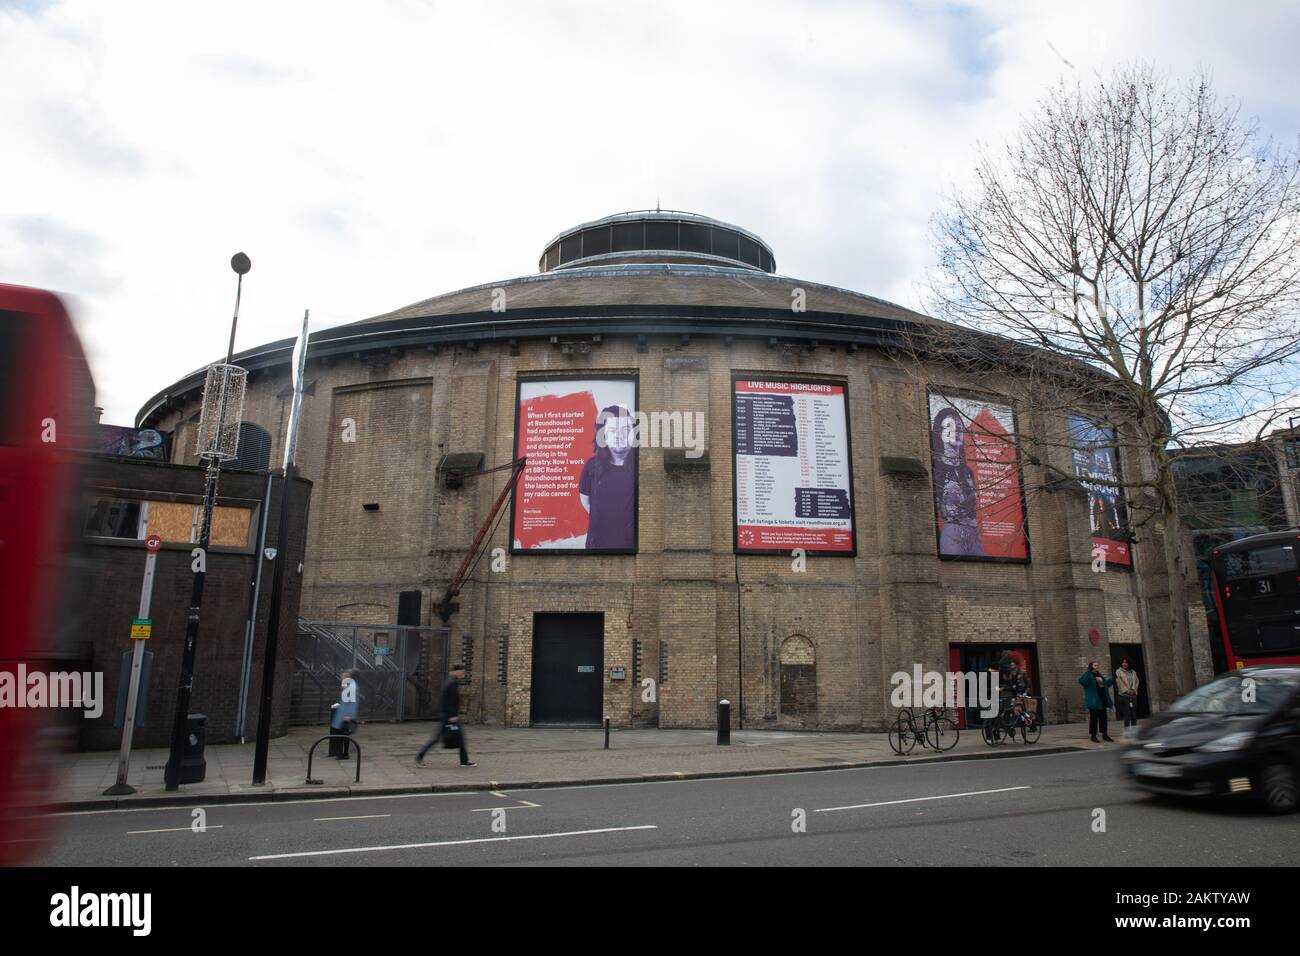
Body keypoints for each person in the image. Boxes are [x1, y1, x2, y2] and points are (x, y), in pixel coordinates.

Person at [579, 404, 636, 550]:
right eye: (613, 430)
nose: (619, 435)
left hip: (630, 549)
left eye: (625, 430)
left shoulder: (640, 467)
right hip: (596, 547)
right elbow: (586, 503)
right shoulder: (591, 467)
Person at [930, 406, 983, 557]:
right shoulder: (937, 470)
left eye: (960, 428)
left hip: (973, 533)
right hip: (952, 534)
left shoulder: (968, 472)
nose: (957, 433)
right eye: (951, 427)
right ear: (940, 432)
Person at [416, 663, 475, 766]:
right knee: (441, 738)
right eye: (462, 672)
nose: (463, 674)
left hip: (447, 715)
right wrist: (452, 715)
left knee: (456, 738)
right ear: (457, 671)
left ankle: (464, 761)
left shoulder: (451, 682)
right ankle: (420, 755)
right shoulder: (452, 683)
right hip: (449, 716)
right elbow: (448, 701)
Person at [1078, 661, 1115, 743]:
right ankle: (1093, 735)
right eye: (1095, 665)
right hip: (1094, 701)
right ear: (1091, 666)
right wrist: (1089, 671)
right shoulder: (1088, 675)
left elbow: (1106, 684)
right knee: (1094, 719)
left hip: (1102, 700)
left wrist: (1113, 679)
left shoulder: (1099, 676)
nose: (1097, 667)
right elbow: (1081, 681)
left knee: (1103, 719)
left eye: (1097, 665)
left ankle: (1105, 734)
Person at [329, 670, 358, 758]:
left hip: (346, 715)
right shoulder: (349, 686)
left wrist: (348, 714)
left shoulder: (351, 686)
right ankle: (344, 752)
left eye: (343, 677)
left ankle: (345, 753)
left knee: (344, 733)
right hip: (345, 714)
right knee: (344, 733)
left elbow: (351, 701)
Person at [1115, 657, 1140, 732]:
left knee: (1134, 715)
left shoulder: (1133, 672)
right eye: (1123, 662)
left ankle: (1134, 732)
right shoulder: (1118, 671)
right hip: (1124, 696)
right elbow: (1119, 682)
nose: (1124, 664)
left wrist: (1134, 690)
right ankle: (1127, 732)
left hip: (1133, 696)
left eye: (1126, 662)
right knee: (1127, 715)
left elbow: (1137, 682)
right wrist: (1127, 691)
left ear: (1129, 663)